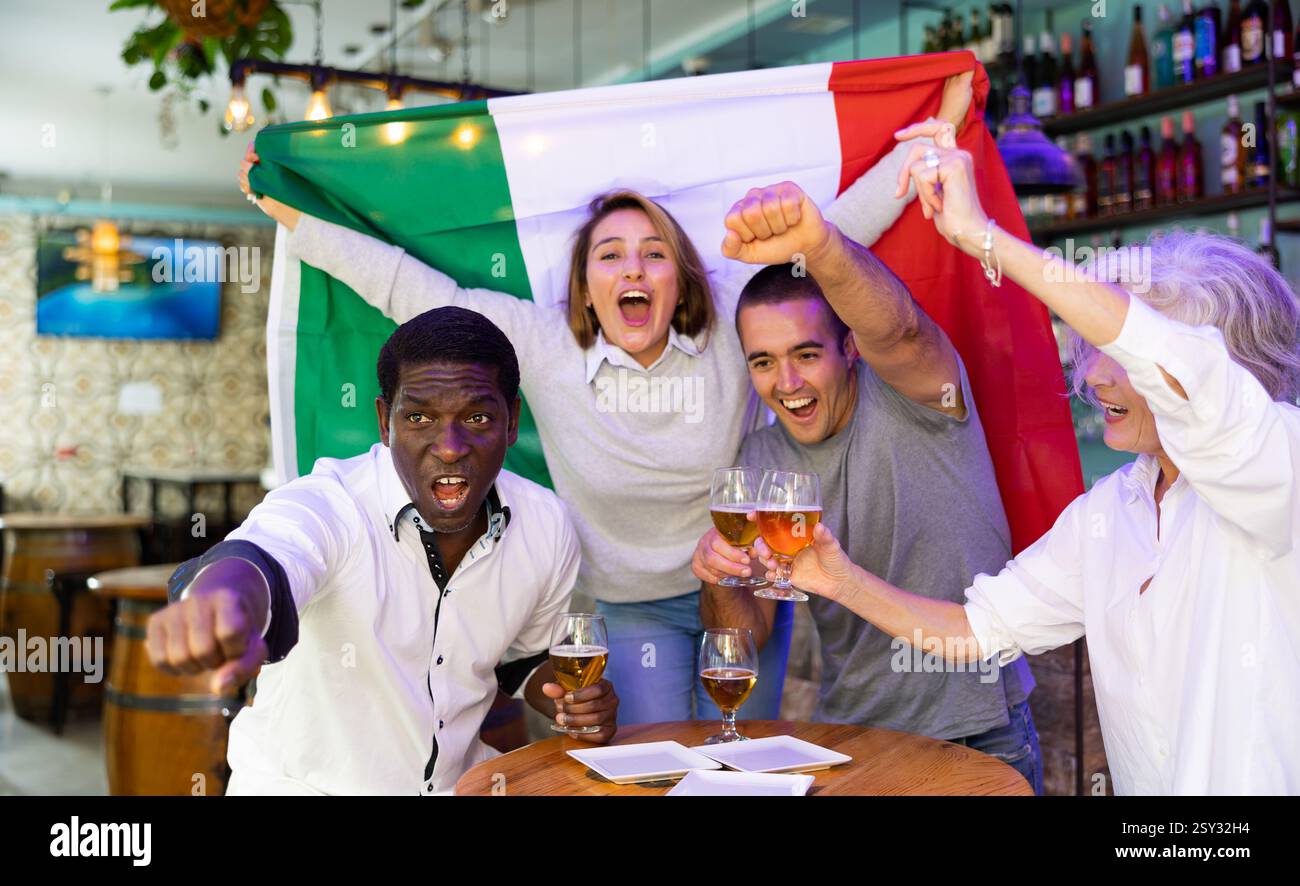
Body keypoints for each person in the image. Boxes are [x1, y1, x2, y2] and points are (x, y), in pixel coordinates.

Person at [234, 73, 977, 725]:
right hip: (627, 605)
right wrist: (292, 212)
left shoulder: (729, 325)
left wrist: (926, 146)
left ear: (682, 277)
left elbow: (831, 241)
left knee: (743, 763)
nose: (634, 268)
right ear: (584, 283)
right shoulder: (543, 341)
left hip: (741, 589)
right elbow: (412, 291)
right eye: (610, 255)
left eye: (655, 253)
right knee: (657, 766)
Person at [749, 126, 1300, 794]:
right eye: (1094, 355)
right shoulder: (1111, 512)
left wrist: (983, 237)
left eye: (1120, 361)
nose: (1096, 378)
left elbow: (1175, 361)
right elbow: (976, 631)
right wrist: (837, 579)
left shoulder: (1275, 460)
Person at [146, 306, 618, 795]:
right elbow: (267, 554)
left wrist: (572, 702)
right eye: (419, 417)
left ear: (512, 420)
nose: (450, 446)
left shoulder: (546, 524)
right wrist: (225, 596)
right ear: (385, 423)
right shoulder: (334, 503)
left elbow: (521, 659)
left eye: (477, 417)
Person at [691, 173, 1042, 793]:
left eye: (806, 354)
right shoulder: (759, 460)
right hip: (851, 739)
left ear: (849, 348)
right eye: (764, 362)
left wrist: (819, 244)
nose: (787, 383)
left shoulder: (918, 393)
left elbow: (901, 331)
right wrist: (720, 577)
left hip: (978, 730)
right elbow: (748, 635)